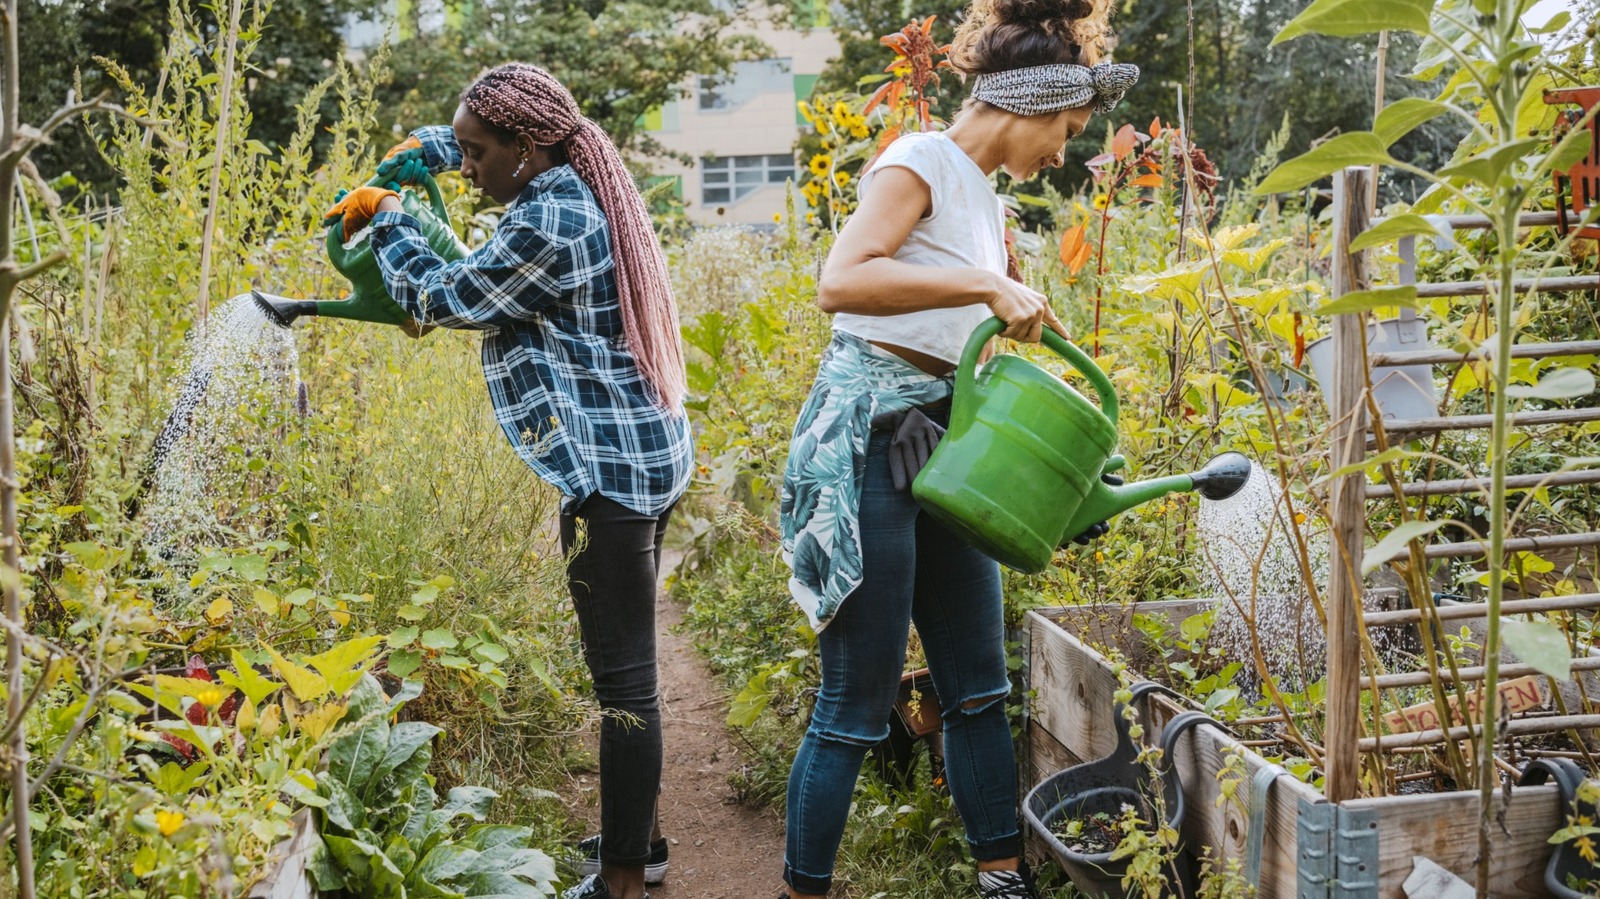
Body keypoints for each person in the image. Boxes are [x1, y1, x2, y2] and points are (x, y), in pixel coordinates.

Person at [776, 0, 1137, 894]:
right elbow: (843, 279)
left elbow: (957, 351)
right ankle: (801, 886)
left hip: (941, 441)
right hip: (868, 443)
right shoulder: (920, 159)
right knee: (856, 702)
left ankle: (1001, 876)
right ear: (1022, 104)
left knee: (979, 684)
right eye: (1064, 129)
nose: (1062, 152)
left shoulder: (985, 201)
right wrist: (983, 281)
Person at [323, 62, 692, 899]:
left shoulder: (551, 216)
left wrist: (387, 218)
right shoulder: (565, 186)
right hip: (644, 452)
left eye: (476, 152)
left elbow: (454, 295)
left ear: (526, 146)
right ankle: (643, 840)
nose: (467, 167)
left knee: (625, 683)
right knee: (630, 671)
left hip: (610, 474)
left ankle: (625, 879)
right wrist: (426, 161)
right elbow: (482, 271)